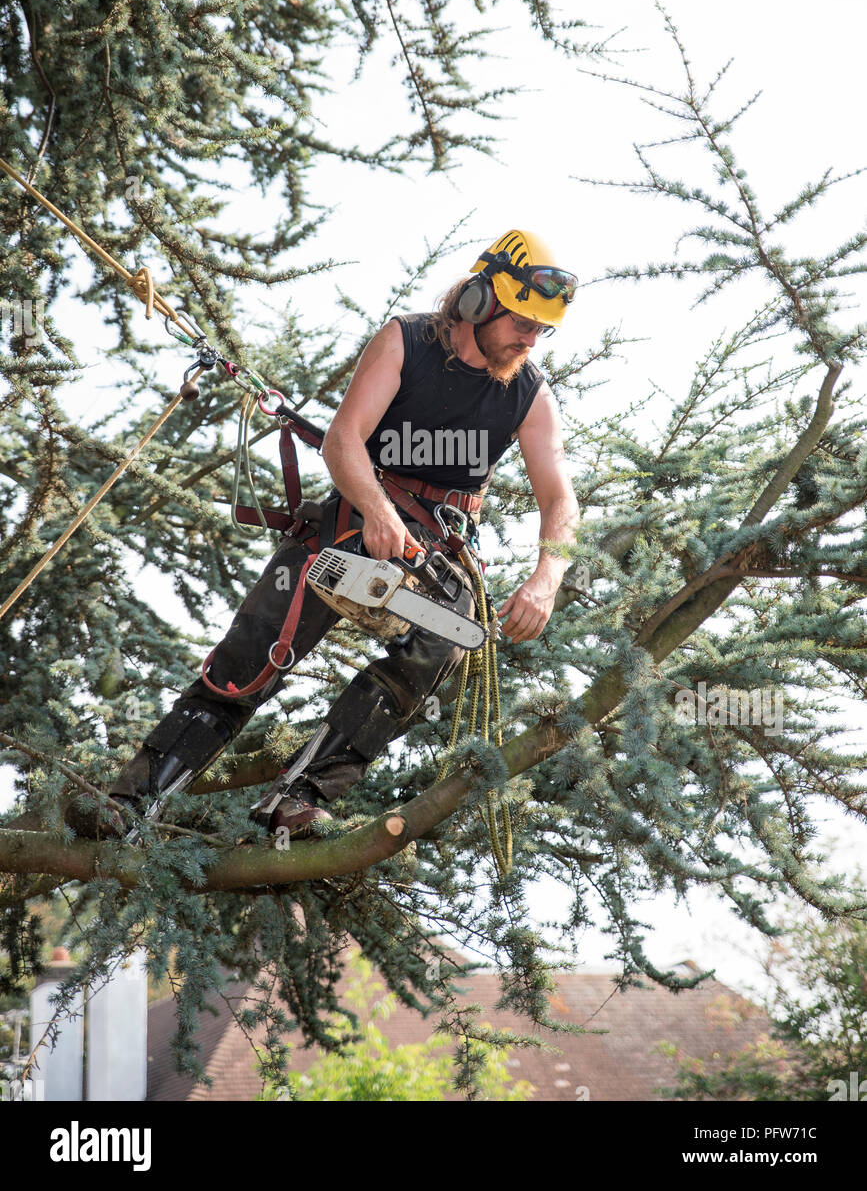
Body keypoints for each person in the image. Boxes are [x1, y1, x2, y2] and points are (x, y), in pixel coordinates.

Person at [67, 230, 580, 842]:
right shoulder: (406, 341)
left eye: (541, 329)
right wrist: (377, 510)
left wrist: (546, 579)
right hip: (348, 526)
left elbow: (560, 499)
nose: (531, 338)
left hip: (436, 550)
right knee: (248, 659)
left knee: (438, 644)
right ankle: (130, 801)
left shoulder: (528, 393)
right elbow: (344, 440)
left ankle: (300, 798)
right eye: (523, 322)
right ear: (479, 301)